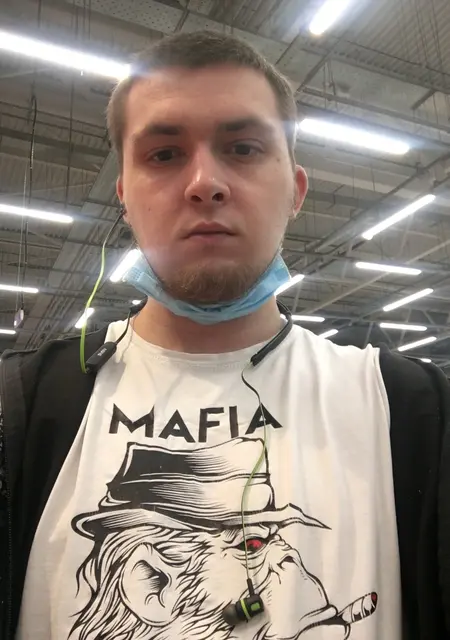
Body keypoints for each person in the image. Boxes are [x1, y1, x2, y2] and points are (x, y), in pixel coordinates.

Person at [0, 30, 449, 640]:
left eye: (242, 148)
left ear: (295, 191)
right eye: (164, 154)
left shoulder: (412, 411)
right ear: (124, 196)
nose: (204, 183)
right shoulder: (20, 412)